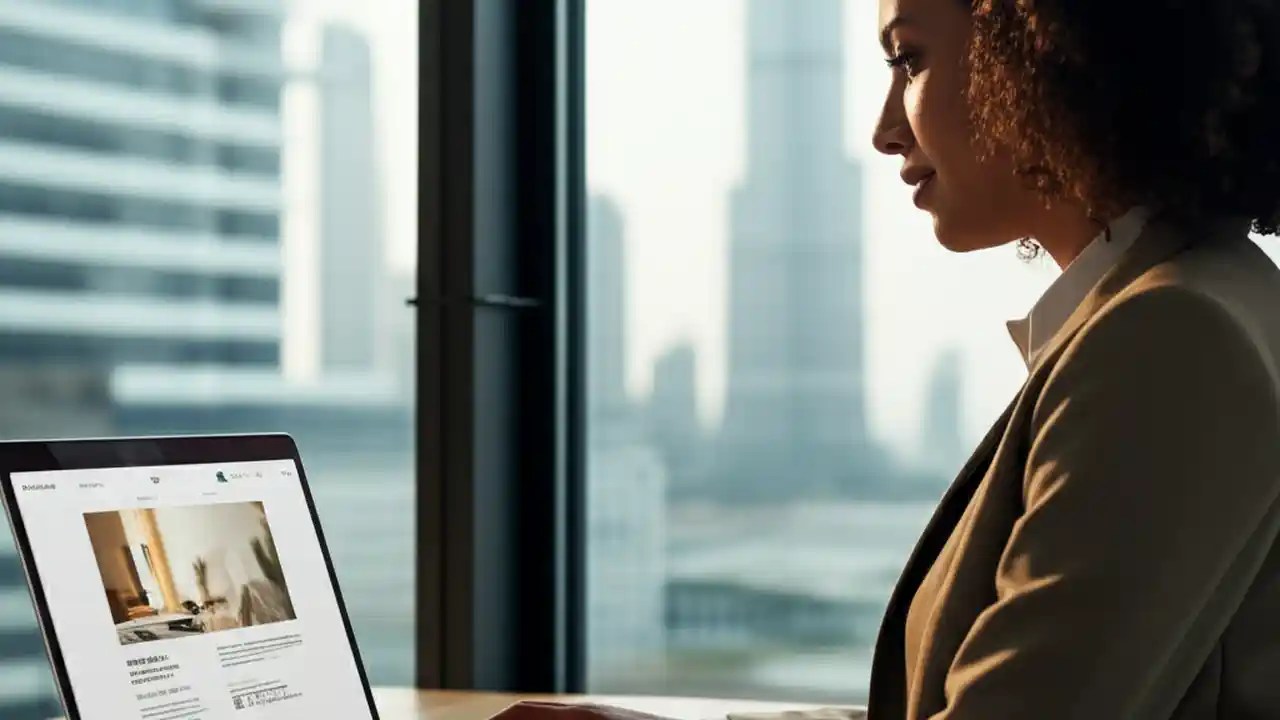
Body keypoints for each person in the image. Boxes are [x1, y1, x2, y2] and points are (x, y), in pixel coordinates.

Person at [493, 0, 1280, 718]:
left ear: (1040, 60)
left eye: (909, 61)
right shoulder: (1203, 301)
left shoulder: (1168, 339)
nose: (883, 128)